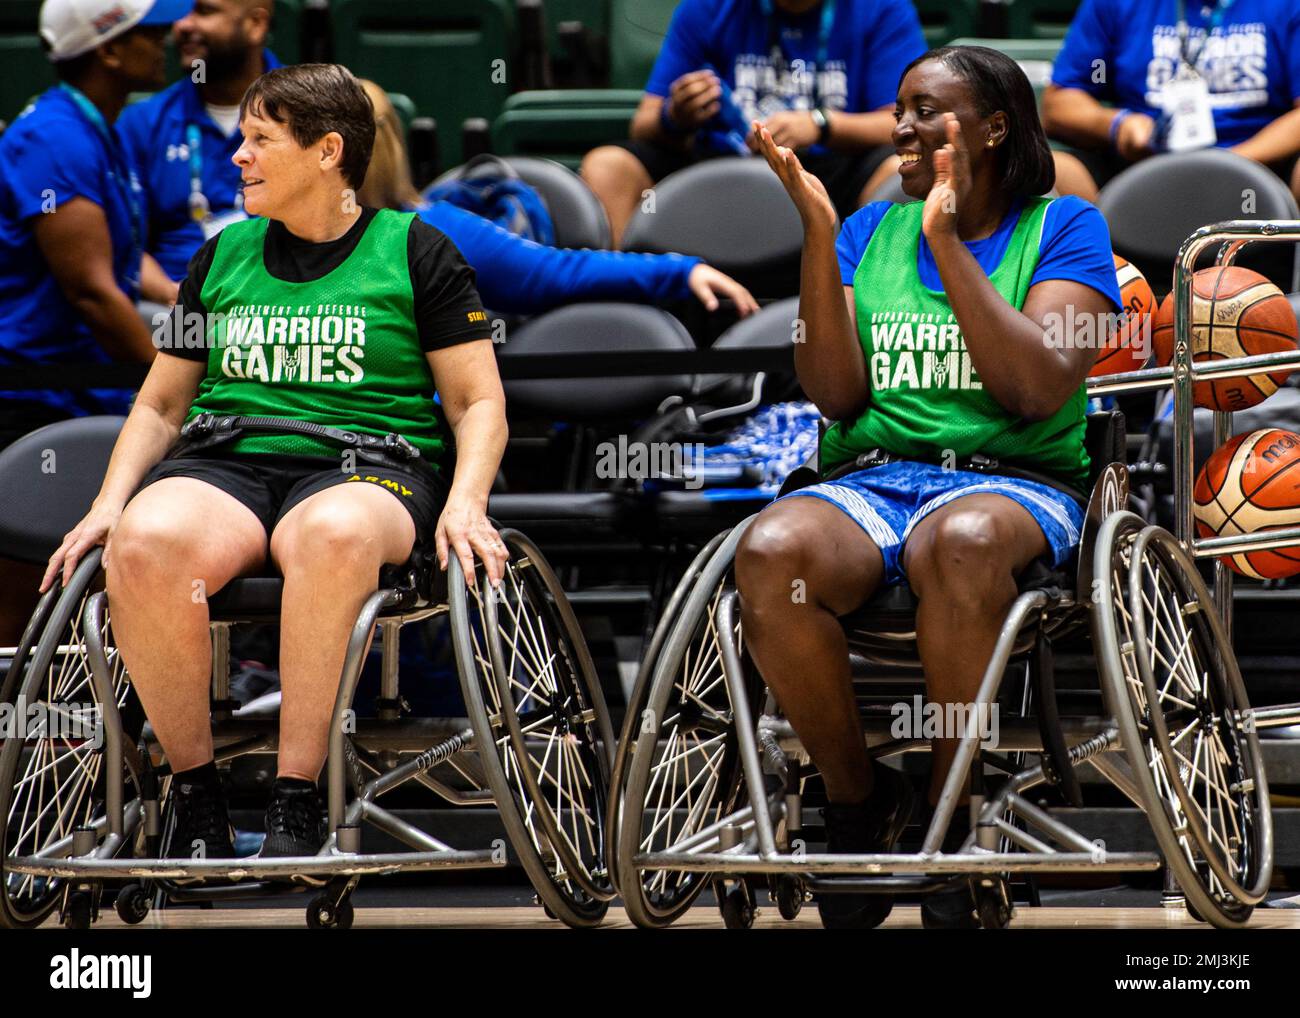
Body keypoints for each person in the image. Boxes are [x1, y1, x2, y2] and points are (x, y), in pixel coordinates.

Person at [41, 63, 509, 864]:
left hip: (371, 465)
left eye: (260, 140)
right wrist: (108, 504)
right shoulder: (221, 256)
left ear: (328, 151)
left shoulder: (416, 250)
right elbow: (159, 406)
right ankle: (196, 803)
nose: (239, 158)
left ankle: (298, 798)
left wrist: (466, 504)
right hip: (232, 462)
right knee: (146, 542)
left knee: (329, 533)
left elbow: (477, 404)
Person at [740, 46, 1121, 929]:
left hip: (1015, 482)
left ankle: (954, 807)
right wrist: (821, 236)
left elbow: (1034, 390)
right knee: (769, 550)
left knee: (959, 540)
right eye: (899, 109)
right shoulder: (871, 229)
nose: (901, 127)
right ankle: (858, 801)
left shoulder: (1067, 227)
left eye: (925, 111)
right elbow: (833, 396)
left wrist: (948, 244)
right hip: (875, 479)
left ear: (993, 128)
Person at [0, 0, 190, 646]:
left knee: (85, 593)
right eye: (152, 33)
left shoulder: (98, 127)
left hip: (81, 389)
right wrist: (167, 392)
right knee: (31, 603)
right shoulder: (53, 138)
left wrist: (183, 297)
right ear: (109, 50)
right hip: (35, 394)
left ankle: (93, 728)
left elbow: (119, 253)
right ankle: (32, 735)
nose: (167, 41)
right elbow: (91, 291)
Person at [355, 81, 758, 317]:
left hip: (395, 450)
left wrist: (677, 273)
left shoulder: (435, 234)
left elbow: (556, 272)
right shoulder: (290, 240)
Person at [580, 0, 927, 247]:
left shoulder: (883, 8)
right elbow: (642, 123)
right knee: (609, 166)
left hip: (831, 168)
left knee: (902, 166)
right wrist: (676, 115)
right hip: (718, 164)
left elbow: (900, 125)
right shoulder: (706, 8)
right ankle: (628, 311)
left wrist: (822, 124)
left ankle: (868, 303)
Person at [1043, 0, 1300, 198]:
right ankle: (1109, 265)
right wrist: (1118, 125)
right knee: (1053, 170)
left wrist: (1234, 161)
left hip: (1260, 165)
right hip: (1141, 162)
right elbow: (1059, 104)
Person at [117, 0, 282, 288]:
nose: (182, 25)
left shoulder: (311, 112)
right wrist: (179, 299)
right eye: (180, 14)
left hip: (282, 302)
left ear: (256, 25)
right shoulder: (141, 124)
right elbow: (126, 249)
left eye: (204, 12)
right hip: (175, 304)